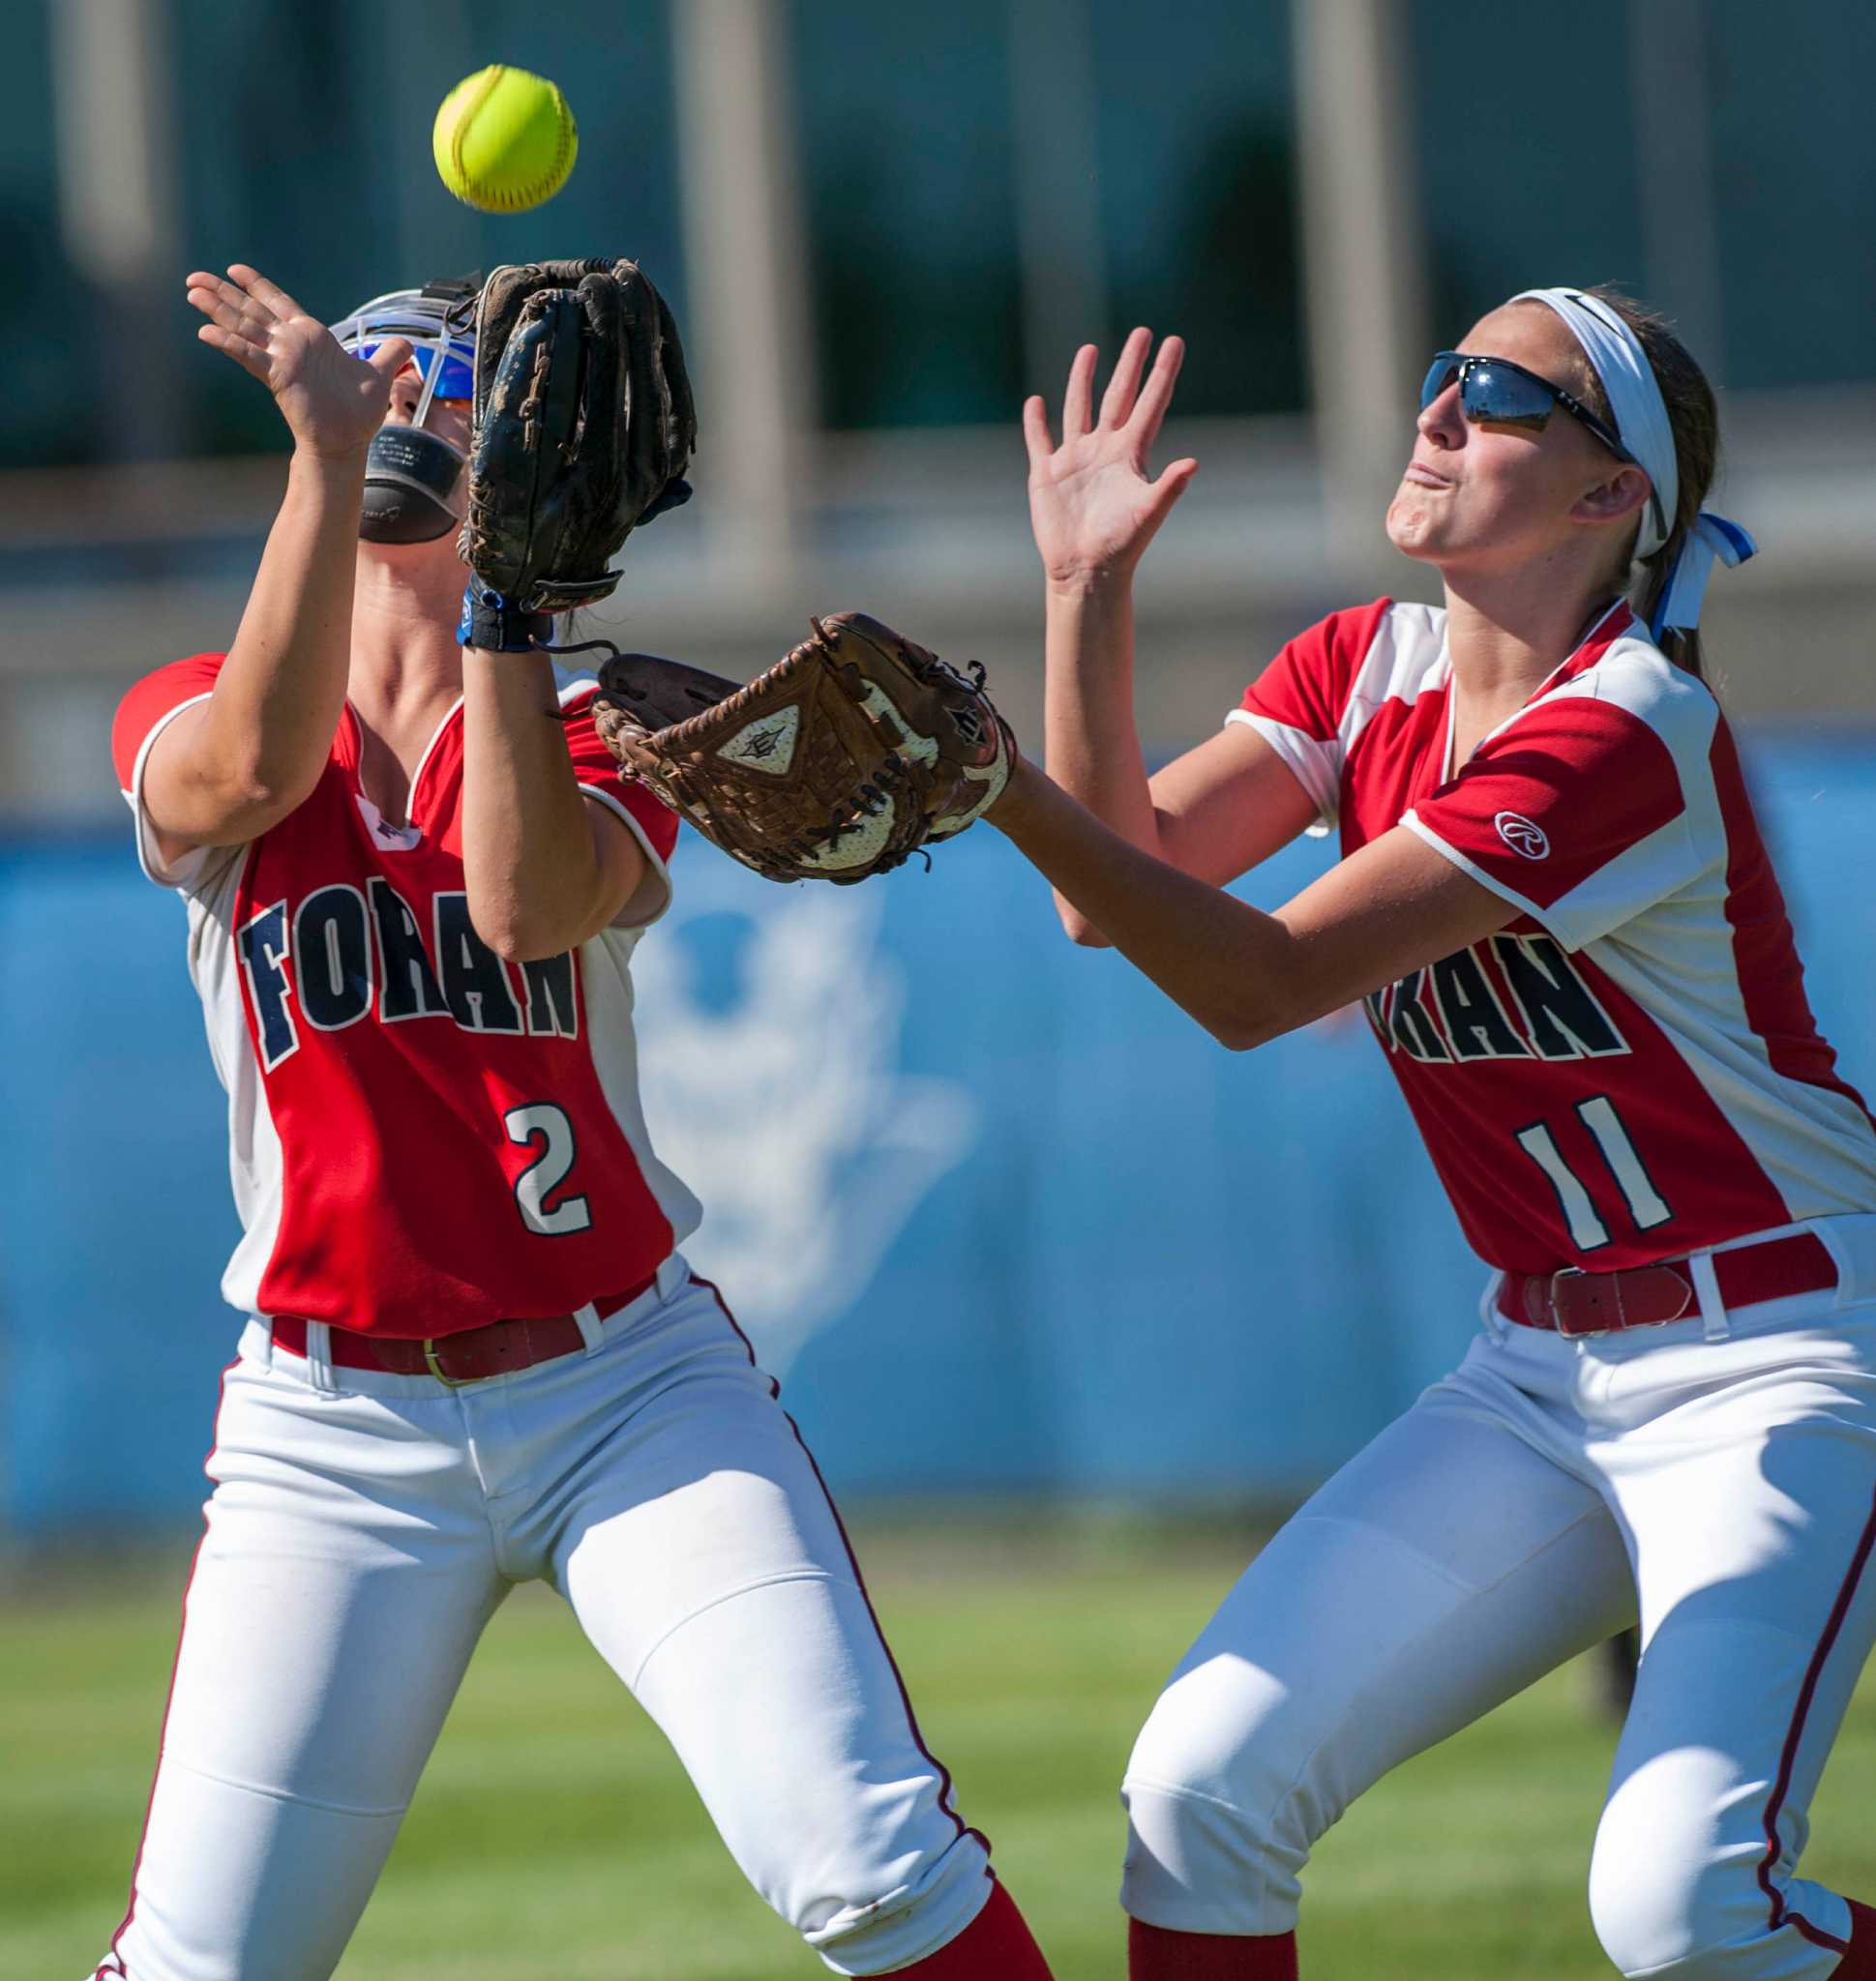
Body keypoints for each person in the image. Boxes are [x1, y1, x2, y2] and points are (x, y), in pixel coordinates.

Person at [92, 263, 1055, 1981]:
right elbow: (243, 777)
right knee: (201, 1963)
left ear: (529, 457)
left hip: (624, 1389)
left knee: (869, 1864)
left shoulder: (597, 715)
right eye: (369, 379)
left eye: (445, 394)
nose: (400, 410)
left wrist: (514, 619)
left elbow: (528, 907)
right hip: (333, 1427)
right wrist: (327, 463)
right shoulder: (186, 697)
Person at [987, 287, 1876, 1980]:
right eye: (1438, 377)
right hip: (1540, 1367)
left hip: (1786, 1349)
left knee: (1688, 1913)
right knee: (1201, 1791)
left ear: (1615, 498)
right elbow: (1123, 895)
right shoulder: (1362, 667)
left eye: (1500, 393)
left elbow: (1260, 979)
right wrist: (1082, 591)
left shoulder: (1630, 728)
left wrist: (989, 780)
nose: (1439, 410)